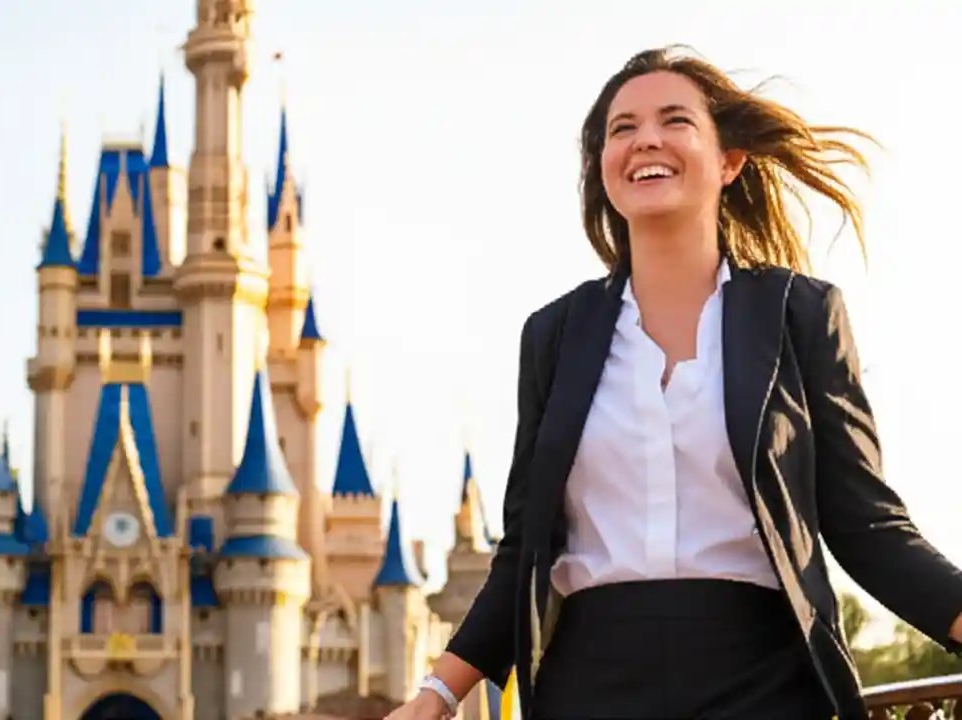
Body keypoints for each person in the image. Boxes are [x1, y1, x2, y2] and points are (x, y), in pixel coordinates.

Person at [387, 46, 962, 720]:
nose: (645, 140)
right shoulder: (553, 336)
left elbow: (869, 528)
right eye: (620, 129)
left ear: (730, 160)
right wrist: (435, 693)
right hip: (588, 692)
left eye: (674, 120)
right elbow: (524, 553)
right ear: (602, 169)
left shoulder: (802, 316)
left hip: (766, 688)